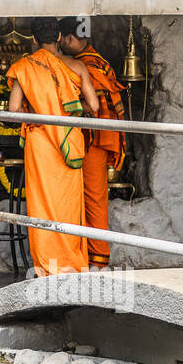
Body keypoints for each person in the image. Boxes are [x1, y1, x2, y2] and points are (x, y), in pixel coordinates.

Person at [7, 18, 99, 275]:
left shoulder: (24, 67)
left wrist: (37, 105)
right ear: (59, 36)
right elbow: (94, 106)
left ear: (34, 40)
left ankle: (47, 266)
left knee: (42, 204)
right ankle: (71, 263)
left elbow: (14, 110)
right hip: (69, 140)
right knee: (68, 205)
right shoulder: (77, 65)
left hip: (40, 143)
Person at [58, 17, 127, 269]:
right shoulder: (96, 60)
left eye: (61, 40)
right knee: (85, 197)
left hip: (93, 139)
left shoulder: (87, 64)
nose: (61, 46)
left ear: (69, 38)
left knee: (94, 198)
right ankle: (86, 254)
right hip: (89, 137)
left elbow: (91, 106)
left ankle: (99, 258)